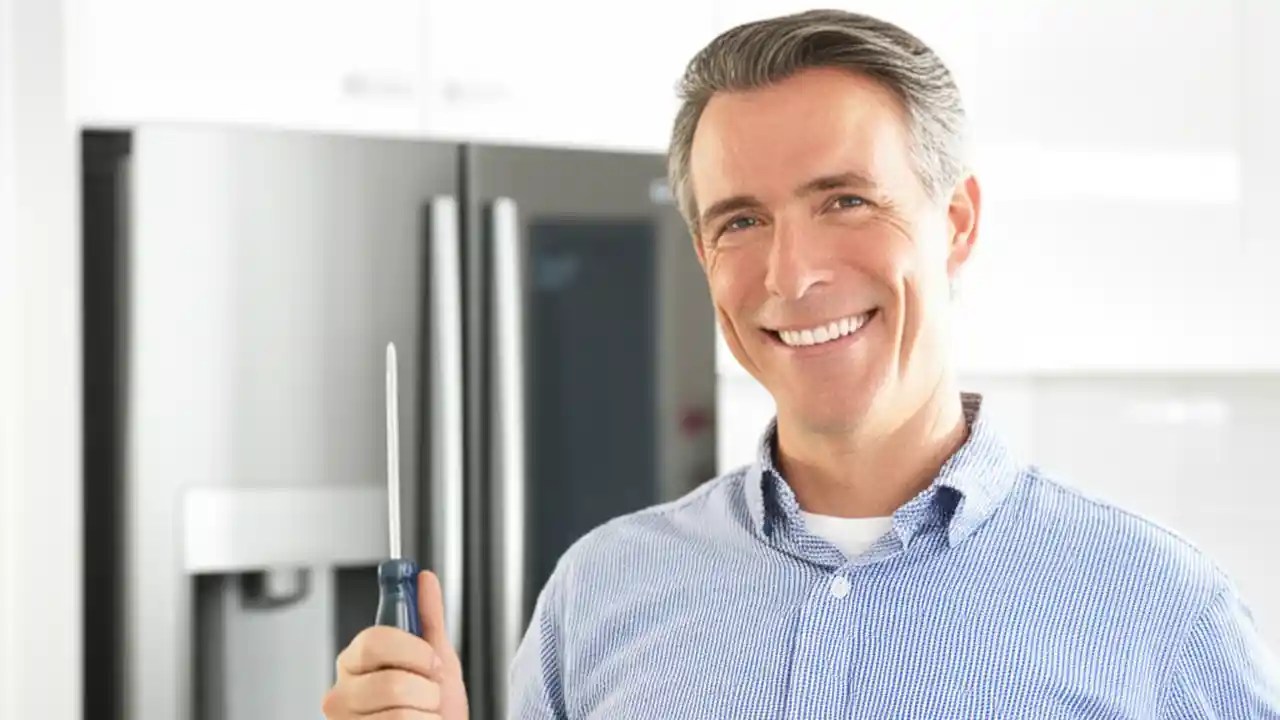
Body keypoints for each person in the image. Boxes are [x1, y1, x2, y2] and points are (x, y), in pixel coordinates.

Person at [322, 9, 1280, 719]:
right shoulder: (599, 595)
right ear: (705, 256)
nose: (794, 272)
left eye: (846, 200)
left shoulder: (1159, 616)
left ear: (955, 223)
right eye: (742, 220)